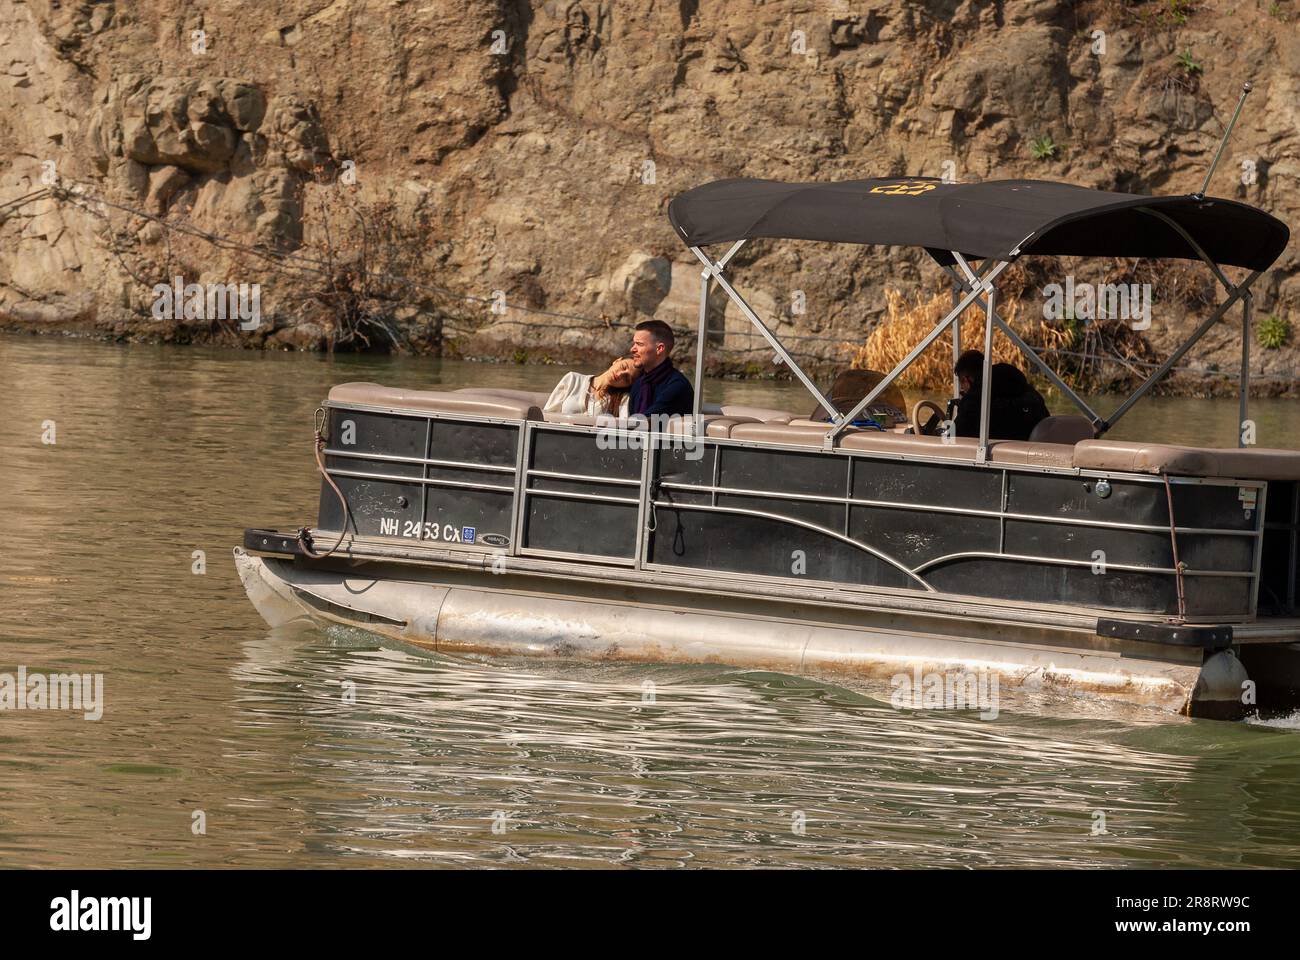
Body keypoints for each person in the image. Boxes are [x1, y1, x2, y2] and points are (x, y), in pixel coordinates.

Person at [950, 350, 1050, 441]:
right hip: (1034, 447)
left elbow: (953, 437)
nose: (962, 389)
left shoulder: (972, 402)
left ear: (966, 379)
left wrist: (962, 407)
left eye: (961, 383)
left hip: (997, 456)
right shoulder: (1027, 392)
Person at [628, 319, 694, 416]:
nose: (632, 349)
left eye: (640, 344)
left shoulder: (677, 386)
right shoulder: (639, 384)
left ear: (659, 349)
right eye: (634, 344)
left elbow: (643, 423)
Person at [543, 357, 636, 416]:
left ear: (627, 385)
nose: (620, 375)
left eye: (627, 378)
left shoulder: (623, 399)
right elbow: (548, 415)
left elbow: (623, 432)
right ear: (617, 361)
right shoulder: (572, 379)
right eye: (623, 367)